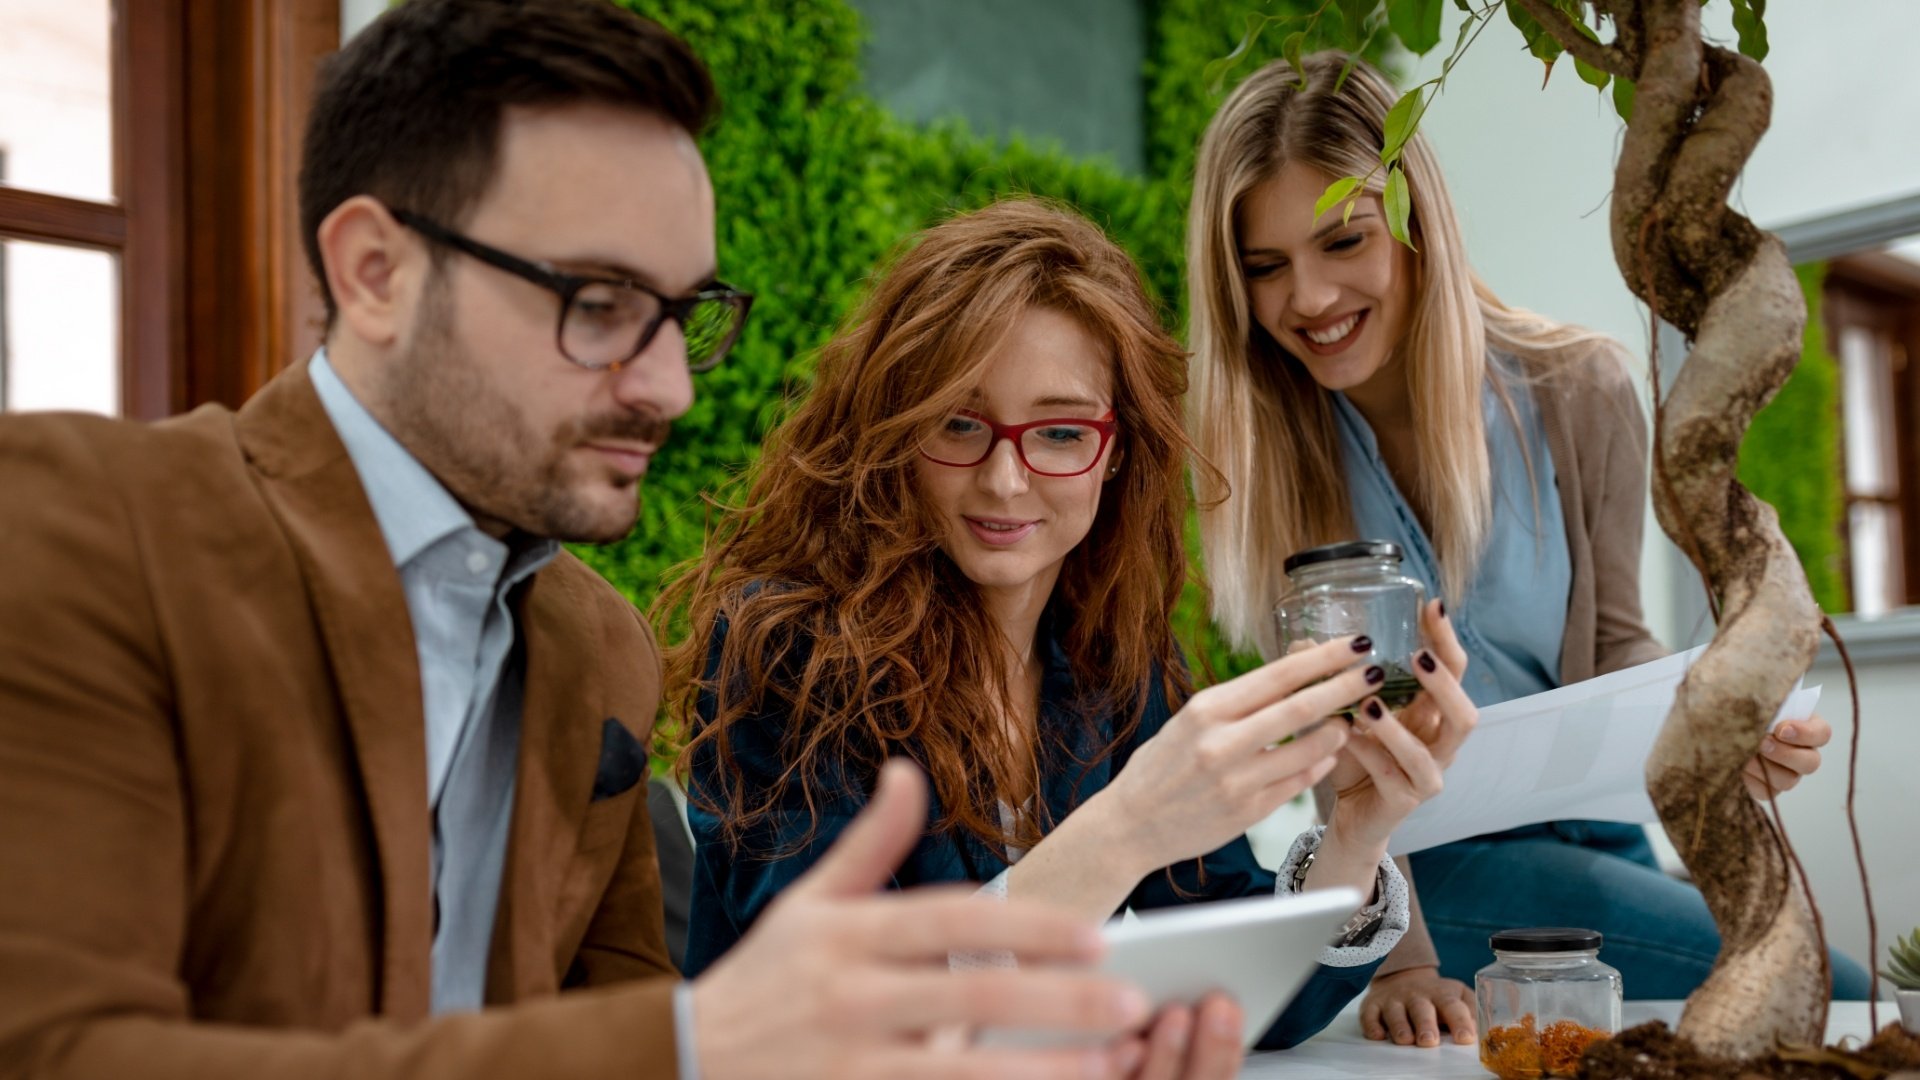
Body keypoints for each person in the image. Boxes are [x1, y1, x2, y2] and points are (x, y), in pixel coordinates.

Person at [0, 4, 1187, 1078]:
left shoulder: (596, 647)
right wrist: (702, 1040)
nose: (666, 386)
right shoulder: (88, 526)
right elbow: (55, 1050)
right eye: (601, 306)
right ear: (374, 272)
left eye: (681, 316)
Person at [662, 197, 1480, 1075]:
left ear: (1116, 450)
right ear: (895, 431)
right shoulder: (782, 645)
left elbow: (1245, 1003)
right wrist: (1126, 829)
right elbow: (826, 1017)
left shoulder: (1109, 658)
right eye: (960, 424)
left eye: (1059, 432)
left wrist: (1359, 829)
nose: (1007, 480)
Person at [1183, 50, 1871, 1052]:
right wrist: (1402, 957)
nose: (1310, 296)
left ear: (1416, 220)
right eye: (1265, 266)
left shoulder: (1578, 386)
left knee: (1799, 987)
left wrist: (1722, 735)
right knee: (1832, 996)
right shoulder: (1271, 453)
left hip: (1602, 837)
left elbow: (1616, 647)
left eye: (1344, 240)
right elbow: (1339, 748)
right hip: (1427, 861)